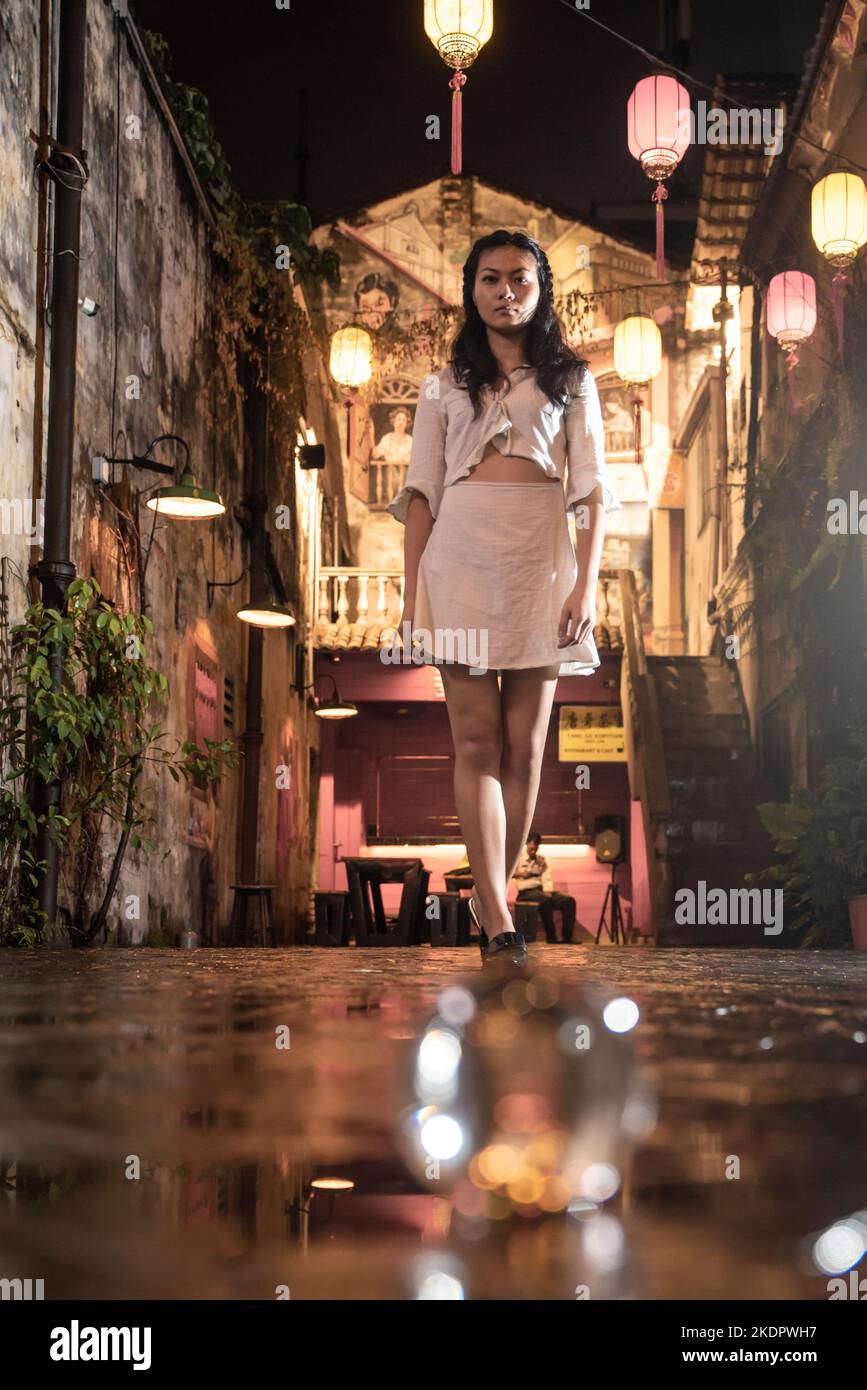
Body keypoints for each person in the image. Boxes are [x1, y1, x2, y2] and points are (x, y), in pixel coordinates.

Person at [387, 230, 619, 968]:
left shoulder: (573, 381)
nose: (505, 291)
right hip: (458, 560)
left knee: (524, 749)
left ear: (540, 288)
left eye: (519, 278)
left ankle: (496, 895)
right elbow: (421, 494)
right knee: (477, 742)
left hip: (539, 564)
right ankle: (494, 913)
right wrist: (409, 590)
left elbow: (593, 492)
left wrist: (585, 583)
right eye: (490, 279)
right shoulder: (440, 386)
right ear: (470, 289)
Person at [512, 832, 577, 944]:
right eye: (531, 848)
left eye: (535, 849)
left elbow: (546, 877)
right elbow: (507, 873)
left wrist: (548, 890)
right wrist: (520, 874)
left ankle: (567, 937)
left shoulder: (540, 860)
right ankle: (551, 937)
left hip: (541, 890)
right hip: (526, 891)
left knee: (569, 901)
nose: (533, 851)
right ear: (527, 844)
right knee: (545, 900)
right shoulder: (518, 858)